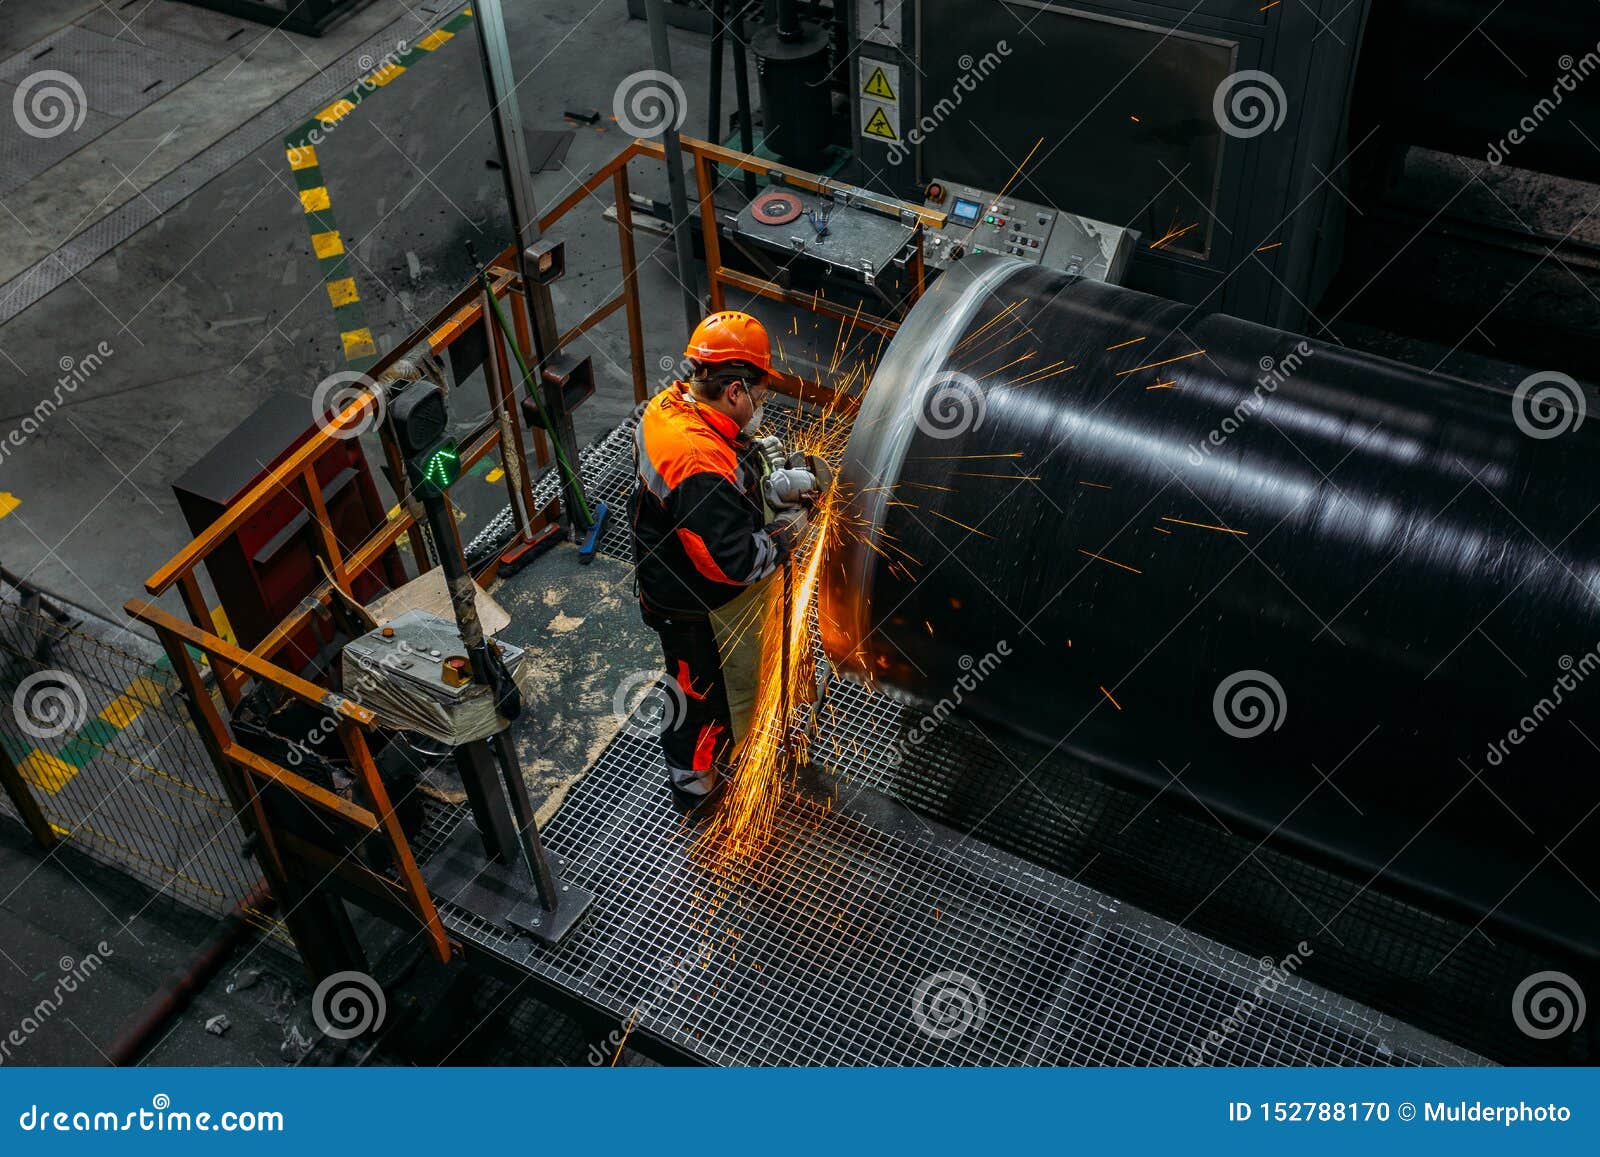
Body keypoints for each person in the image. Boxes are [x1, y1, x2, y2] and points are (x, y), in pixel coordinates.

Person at [629, 311, 825, 806]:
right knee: (701, 700)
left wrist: (765, 479)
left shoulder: (671, 405)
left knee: (701, 690)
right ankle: (694, 788)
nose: (761, 406)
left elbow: (722, 471)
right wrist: (786, 532)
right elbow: (734, 563)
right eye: (758, 397)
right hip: (690, 606)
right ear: (734, 391)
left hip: (674, 568)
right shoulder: (695, 464)